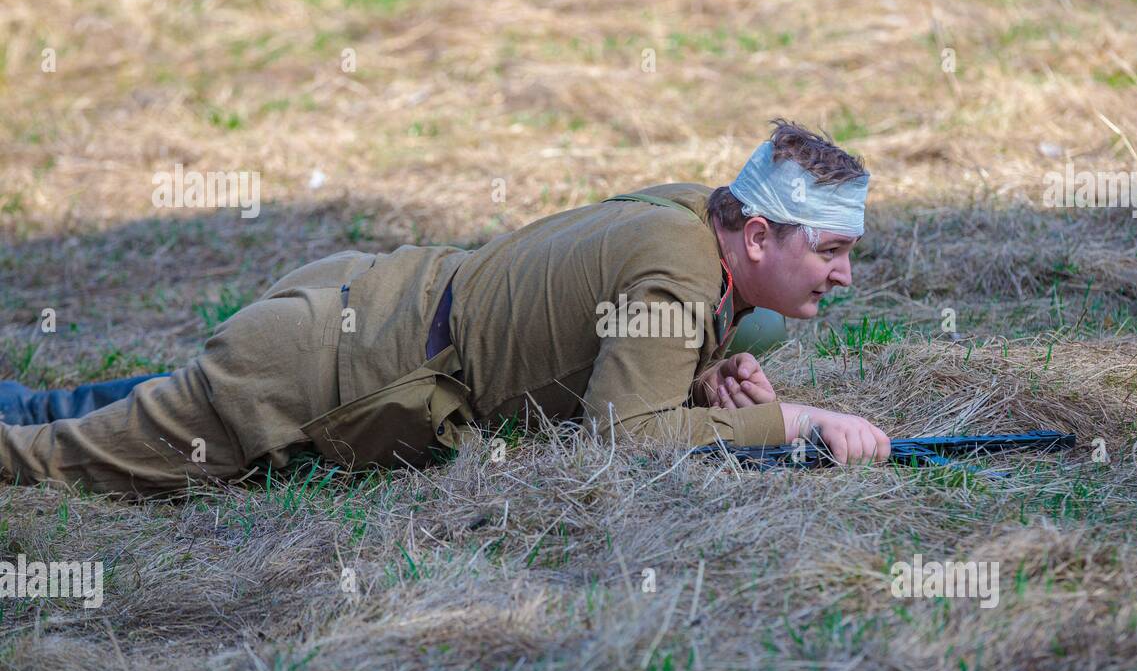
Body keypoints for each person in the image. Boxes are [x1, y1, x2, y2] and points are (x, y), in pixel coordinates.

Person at [0, 119, 890, 497]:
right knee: (42, 463)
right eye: (832, 250)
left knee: (68, 414)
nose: (845, 275)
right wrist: (794, 421)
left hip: (348, 306)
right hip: (313, 375)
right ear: (762, 235)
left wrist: (702, 373)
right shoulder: (680, 268)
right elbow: (625, 437)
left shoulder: (693, 211)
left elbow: (593, 326)